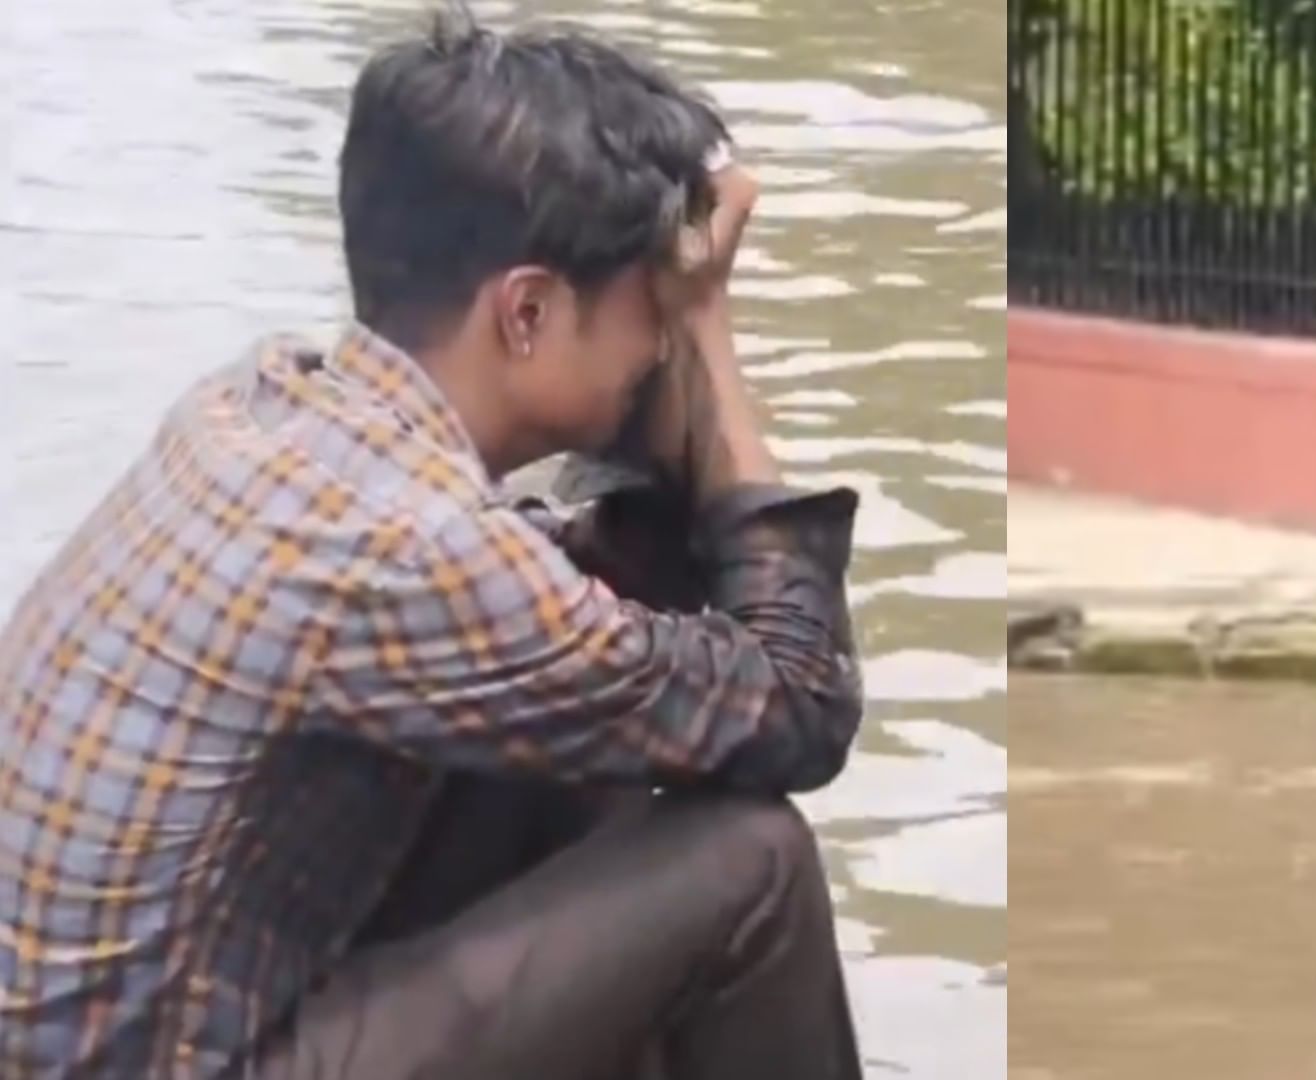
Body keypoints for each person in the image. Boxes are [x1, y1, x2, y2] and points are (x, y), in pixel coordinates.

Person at [0, 8, 868, 1078]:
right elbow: (797, 701)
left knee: (596, 738)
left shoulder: (262, 402)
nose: (659, 344)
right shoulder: (414, 551)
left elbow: (624, 624)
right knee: (755, 866)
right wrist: (711, 334)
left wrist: (669, 324)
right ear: (527, 316)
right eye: (652, 310)